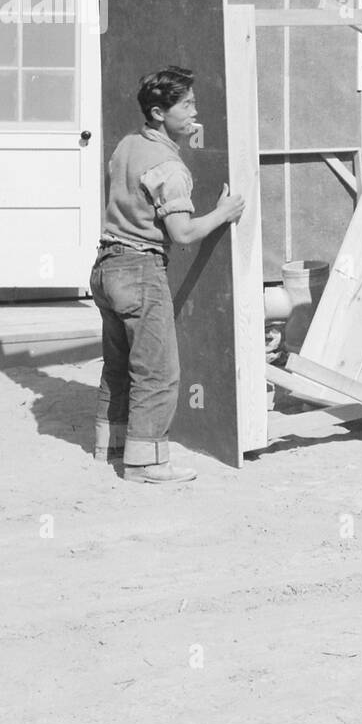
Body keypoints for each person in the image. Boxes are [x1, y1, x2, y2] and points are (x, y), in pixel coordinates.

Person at [91, 66, 245, 484]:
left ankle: (112, 445)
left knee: (118, 365)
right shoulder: (169, 167)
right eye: (187, 105)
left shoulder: (127, 145)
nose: (196, 111)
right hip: (140, 270)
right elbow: (183, 233)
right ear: (159, 113)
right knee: (157, 373)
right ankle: (146, 465)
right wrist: (224, 212)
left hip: (106, 266)